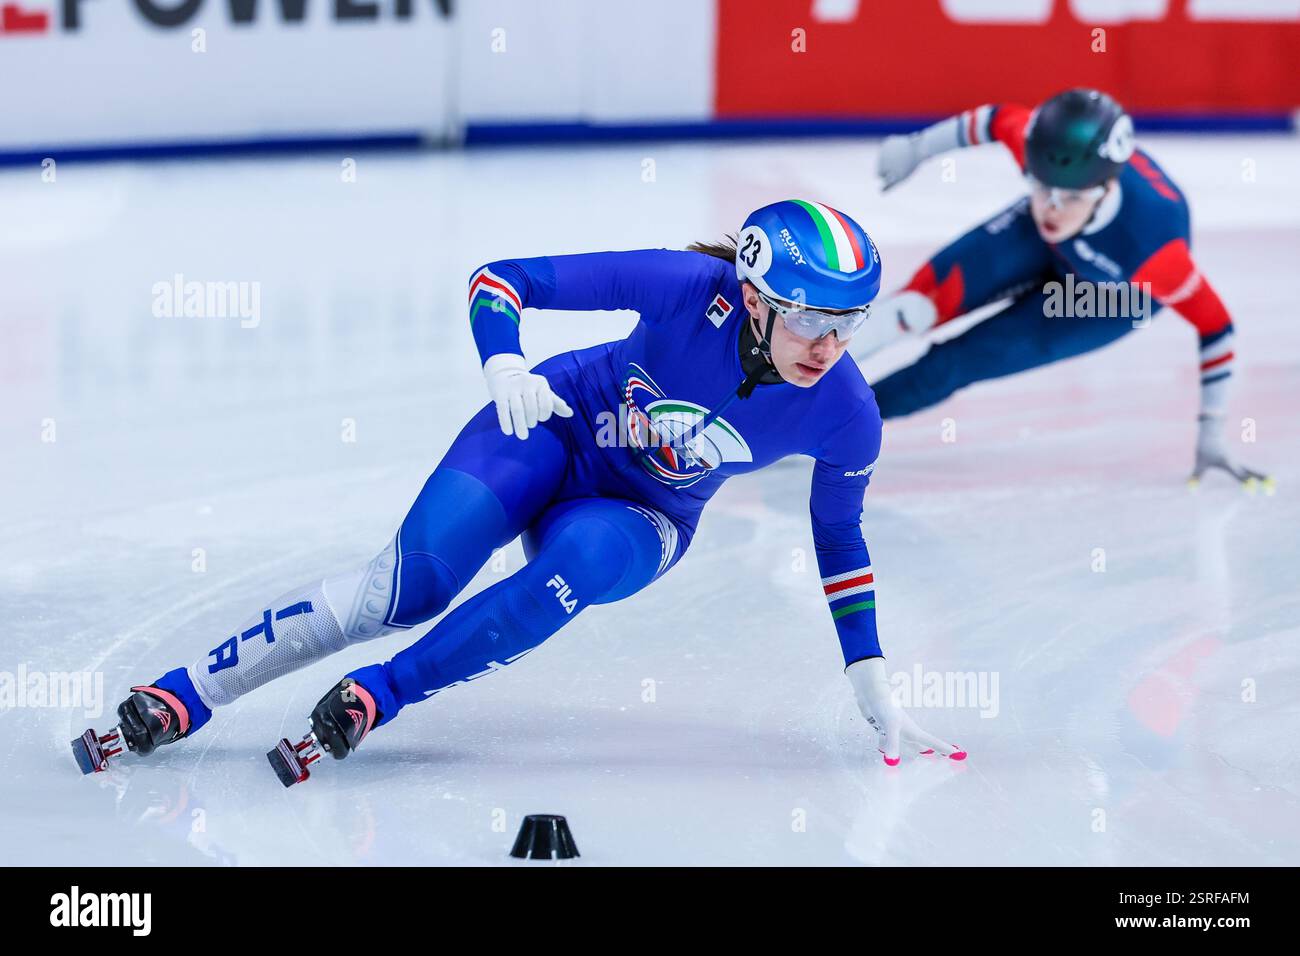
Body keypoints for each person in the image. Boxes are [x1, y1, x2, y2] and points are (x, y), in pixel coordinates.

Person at [84, 200, 965, 780]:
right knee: (407, 587)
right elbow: (504, 278)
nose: (828, 346)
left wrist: (869, 673)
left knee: (574, 565)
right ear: (752, 296)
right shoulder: (685, 285)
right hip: (551, 424)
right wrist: (503, 360)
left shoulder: (848, 415)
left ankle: (378, 696)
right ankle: (187, 692)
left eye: (848, 325)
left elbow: (841, 541)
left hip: (642, 515)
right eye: (811, 319)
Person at [854, 88, 1270, 489]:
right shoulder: (1043, 149)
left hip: (1110, 297)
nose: (1051, 208)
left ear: (1106, 187)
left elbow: (1216, 327)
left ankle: (838, 423)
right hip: (1044, 242)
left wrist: (1212, 430)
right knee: (917, 307)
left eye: (1070, 196)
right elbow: (995, 119)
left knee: (954, 364)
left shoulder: (1154, 251)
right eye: (1039, 186)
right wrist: (917, 148)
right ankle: (795, 367)